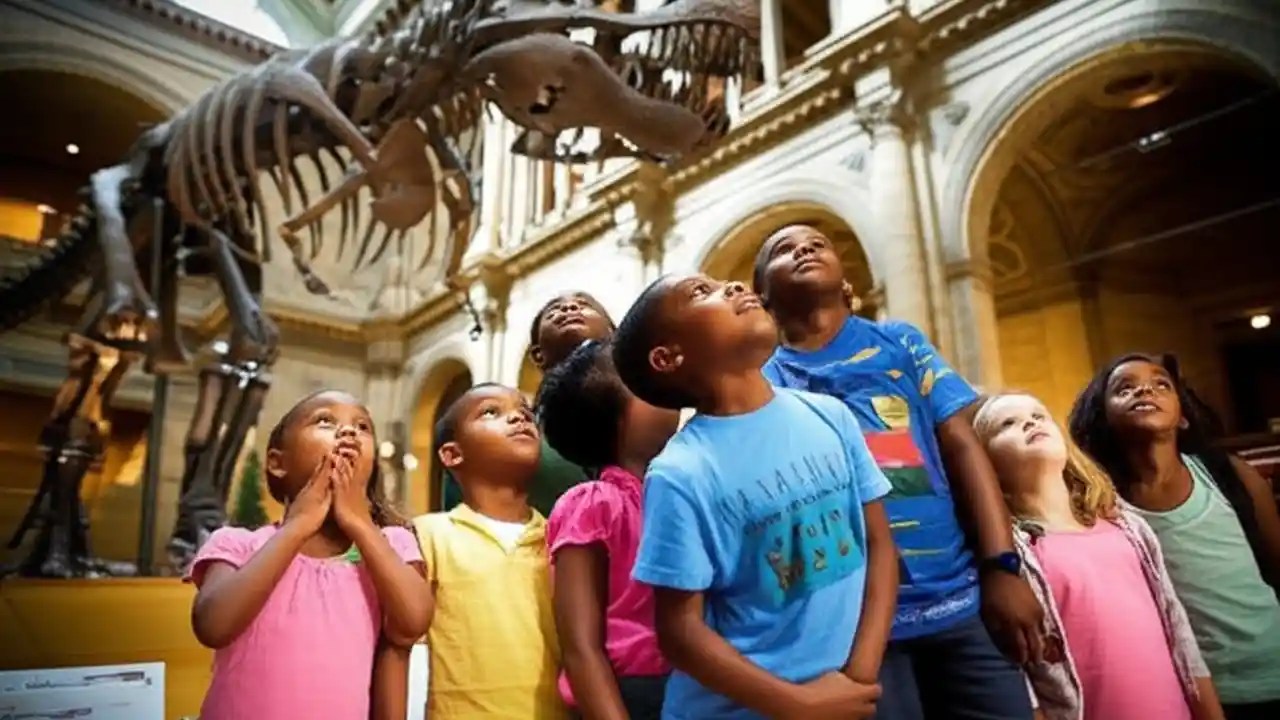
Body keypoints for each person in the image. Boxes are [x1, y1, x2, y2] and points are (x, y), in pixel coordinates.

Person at [752, 224, 1040, 719]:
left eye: (817, 243)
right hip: (854, 630)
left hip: (959, 601)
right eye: (783, 249)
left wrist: (1001, 566)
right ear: (762, 296)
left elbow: (963, 446)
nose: (803, 248)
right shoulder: (765, 383)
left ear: (846, 279)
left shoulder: (899, 343)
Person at [611, 273, 897, 719]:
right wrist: (798, 705)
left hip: (838, 698)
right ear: (668, 357)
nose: (734, 287)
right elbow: (680, 631)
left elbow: (879, 545)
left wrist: (858, 678)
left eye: (723, 282)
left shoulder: (830, 416)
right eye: (701, 293)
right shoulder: (681, 472)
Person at [974, 392, 1223, 720]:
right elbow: (1023, 674)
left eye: (1039, 415)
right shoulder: (1012, 553)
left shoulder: (1127, 526)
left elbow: (1178, 631)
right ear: (984, 464)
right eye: (1007, 423)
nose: (1030, 422)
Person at [187, 390, 429, 720]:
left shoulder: (388, 545)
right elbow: (213, 626)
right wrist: (298, 526)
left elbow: (413, 621)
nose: (348, 432)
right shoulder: (238, 544)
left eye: (362, 427)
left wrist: (359, 522)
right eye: (325, 421)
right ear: (277, 462)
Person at [1069, 353, 1280, 719]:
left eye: (1160, 384)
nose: (1145, 389)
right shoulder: (1104, 506)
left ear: (1181, 415)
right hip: (1199, 692)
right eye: (1125, 387)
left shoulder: (1230, 475)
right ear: (1104, 418)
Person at [380, 383, 567, 719]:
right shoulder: (428, 535)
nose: (518, 418)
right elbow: (397, 644)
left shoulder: (560, 539)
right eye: (491, 412)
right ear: (452, 454)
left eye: (525, 412)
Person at [539, 338, 682, 719]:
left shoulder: (681, 491)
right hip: (627, 692)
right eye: (640, 379)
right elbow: (581, 647)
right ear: (613, 416)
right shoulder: (592, 503)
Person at [524, 291, 619, 516]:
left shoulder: (643, 399)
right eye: (554, 310)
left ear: (614, 335)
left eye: (583, 304)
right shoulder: (530, 432)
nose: (568, 309)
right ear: (538, 355)